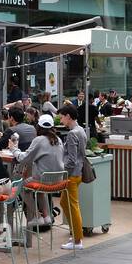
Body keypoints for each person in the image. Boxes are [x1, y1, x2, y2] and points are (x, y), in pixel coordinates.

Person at [13, 114, 66, 230]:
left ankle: (37, 215)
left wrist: (14, 149)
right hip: (59, 181)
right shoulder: (59, 140)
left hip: (43, 179)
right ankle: (47, 216)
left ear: (38, 127)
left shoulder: (39, 140)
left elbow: (24, 158)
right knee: (40, 189)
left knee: (20, 186)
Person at [56, 104, 88, 250]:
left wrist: (63, 171)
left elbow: (71, 159)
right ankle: (75, 235)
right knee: (64, 202)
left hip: (72, 174)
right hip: (78, 172)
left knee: (73, 206)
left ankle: (77, 240)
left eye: (62, 117)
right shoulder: (81, 130)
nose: (61, 120)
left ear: (68, 116)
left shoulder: (72, 134)